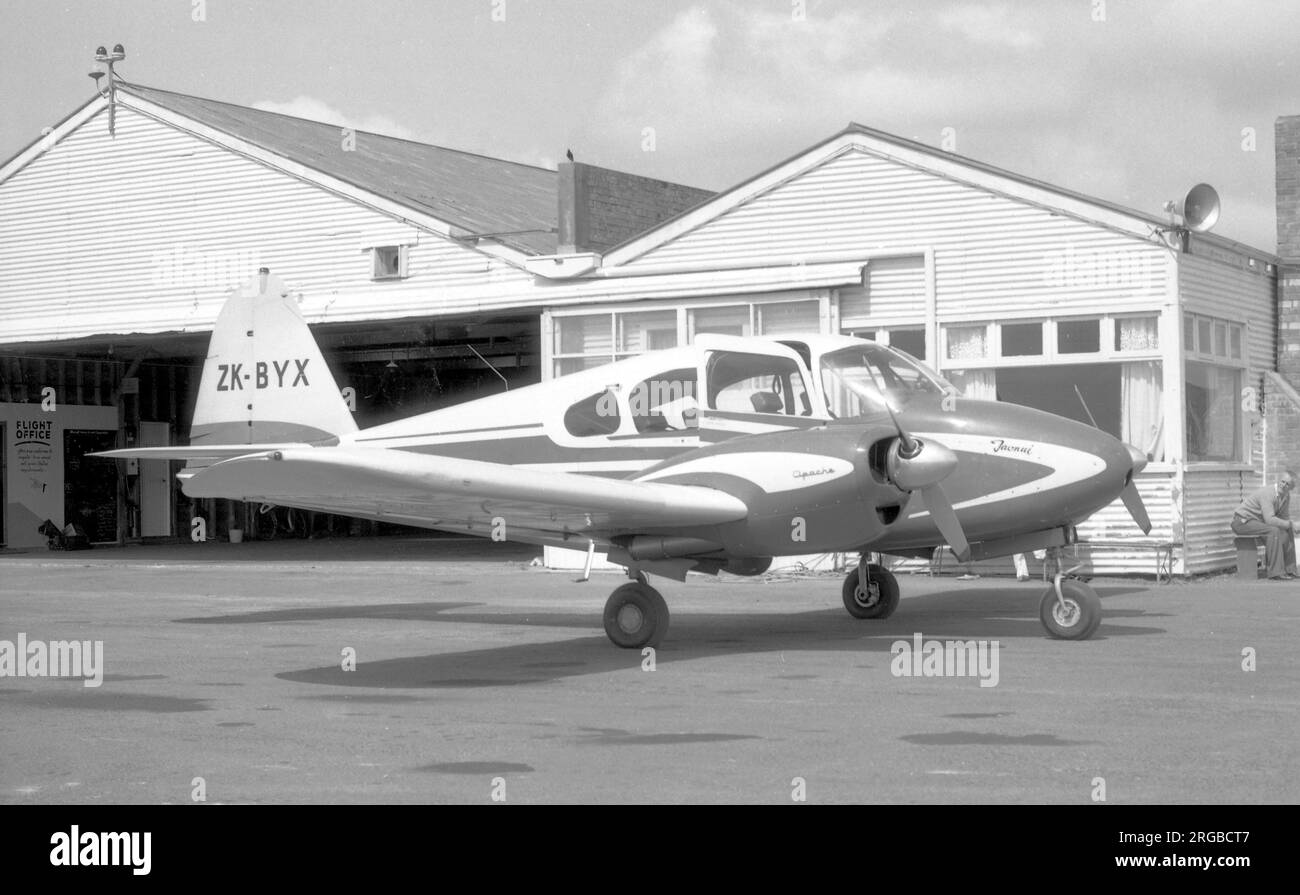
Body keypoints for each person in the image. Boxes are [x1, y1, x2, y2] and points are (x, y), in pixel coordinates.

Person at [1231, 471, 1300, 580]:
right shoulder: (1268, 493)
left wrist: (1292, 526)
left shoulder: (1286, 496)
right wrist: (1291, 524)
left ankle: (1290, 570)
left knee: (1287, 530)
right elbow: (1269, 520)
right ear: (1278, 480)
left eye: (1288, 484)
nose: (1284, 485)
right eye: (1283, 481)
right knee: (1273, 531)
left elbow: (1284, 518)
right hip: (1242, 521)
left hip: (1257, 523)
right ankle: (1275, 573)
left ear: (1292, 487)